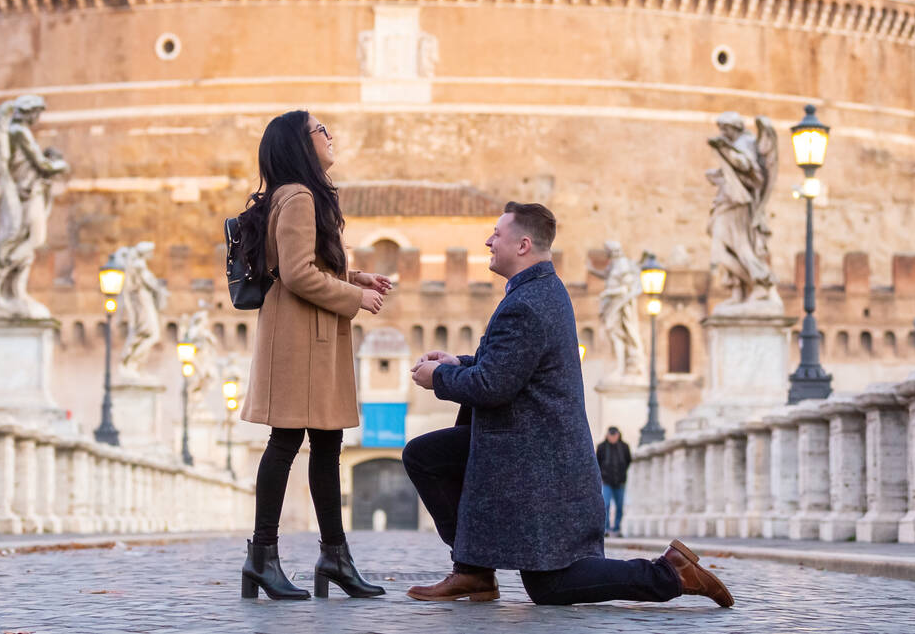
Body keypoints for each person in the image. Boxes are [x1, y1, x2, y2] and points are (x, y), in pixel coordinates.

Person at [401, 202, 734, 608]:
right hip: (527, 451)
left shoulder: (527, 303)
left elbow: (492, 386)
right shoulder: (537, 292)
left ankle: (670, 572)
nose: (488, 241)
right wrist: (459, 363)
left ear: (523, 245)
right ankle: (473, 569)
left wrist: (437, 378)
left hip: (539, 466)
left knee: (552, 587)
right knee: (427, 456)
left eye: (497, 234)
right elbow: (509, 367)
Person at [235, 110, 391, 600]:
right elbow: (298, 275)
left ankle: (335, 557)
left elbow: (303, 266)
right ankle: (263, 557)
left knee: (325, 447)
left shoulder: (298, 195)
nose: (330, 136)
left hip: (310, 334)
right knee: (286, 444)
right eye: (320, 130)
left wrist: (352, 277)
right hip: (302, 338)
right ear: (301, 145)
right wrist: (355, 299)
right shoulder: (299, 196)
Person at [597, 427, 631, 537]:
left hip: (620, 482)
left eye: (614, 435)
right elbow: (597, 462)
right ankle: (606, 528)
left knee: (620, 506)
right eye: (610, 435)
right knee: (605, 505)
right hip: (606, 482)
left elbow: (628, 461)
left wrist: (622, 474)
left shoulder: (624, 447)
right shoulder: (601, 447)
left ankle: (617, 528)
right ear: (607, 435)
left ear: (618, 435)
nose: (612, 437)